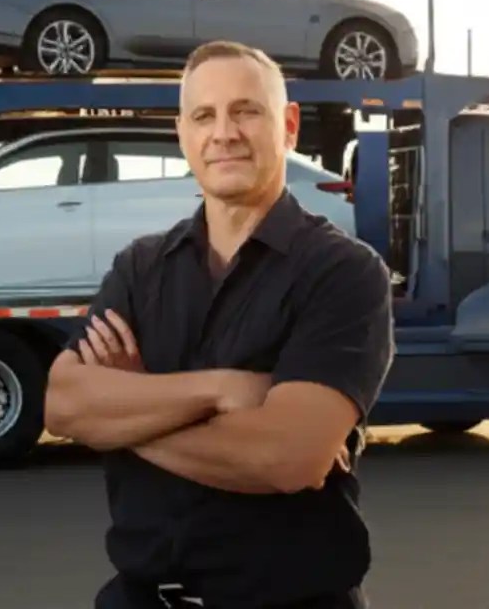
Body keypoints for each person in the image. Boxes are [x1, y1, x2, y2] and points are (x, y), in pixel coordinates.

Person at [43, 40, 396, 609]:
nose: (223, 132)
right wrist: (224, 390)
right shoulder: (140, 267)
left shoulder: (344, 273)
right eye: (204, 115)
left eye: (246, 111)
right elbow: (64, 406)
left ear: (288, 126)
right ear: (183, 133)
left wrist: (127, 411)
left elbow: (286, 458)